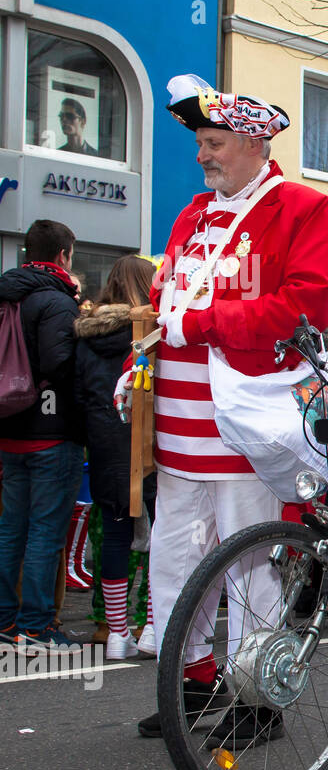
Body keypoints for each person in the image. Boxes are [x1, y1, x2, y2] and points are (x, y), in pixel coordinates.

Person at [126, 74, 328, 742]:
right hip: (178, 430)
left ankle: (258, 698)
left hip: (243, 426)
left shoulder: (302, 208)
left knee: (249, 565)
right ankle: (190, 681)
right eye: (200, 143)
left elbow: (308, 306)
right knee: (175, 561)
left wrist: (210, 322)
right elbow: (169, 300)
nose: (202, 155)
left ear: (253, 141)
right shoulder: (192, 214)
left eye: (214, 142)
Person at [0, 219, 86, 654]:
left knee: (10, 528)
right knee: (45, 532)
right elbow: (59, 364)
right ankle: (35, 627)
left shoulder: (8, 293)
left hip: (9, 428)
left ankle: (4, 619)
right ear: (63, 254)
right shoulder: (55, 301)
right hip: (51, 431)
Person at [74, 254, 158, 659]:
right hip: (152, 443)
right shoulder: (153, 331)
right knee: (163, 536)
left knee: (116, 536)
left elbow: (79, 394)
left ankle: (116, 633)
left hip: (106, 443)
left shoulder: (87, 337)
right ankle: (154, 626)